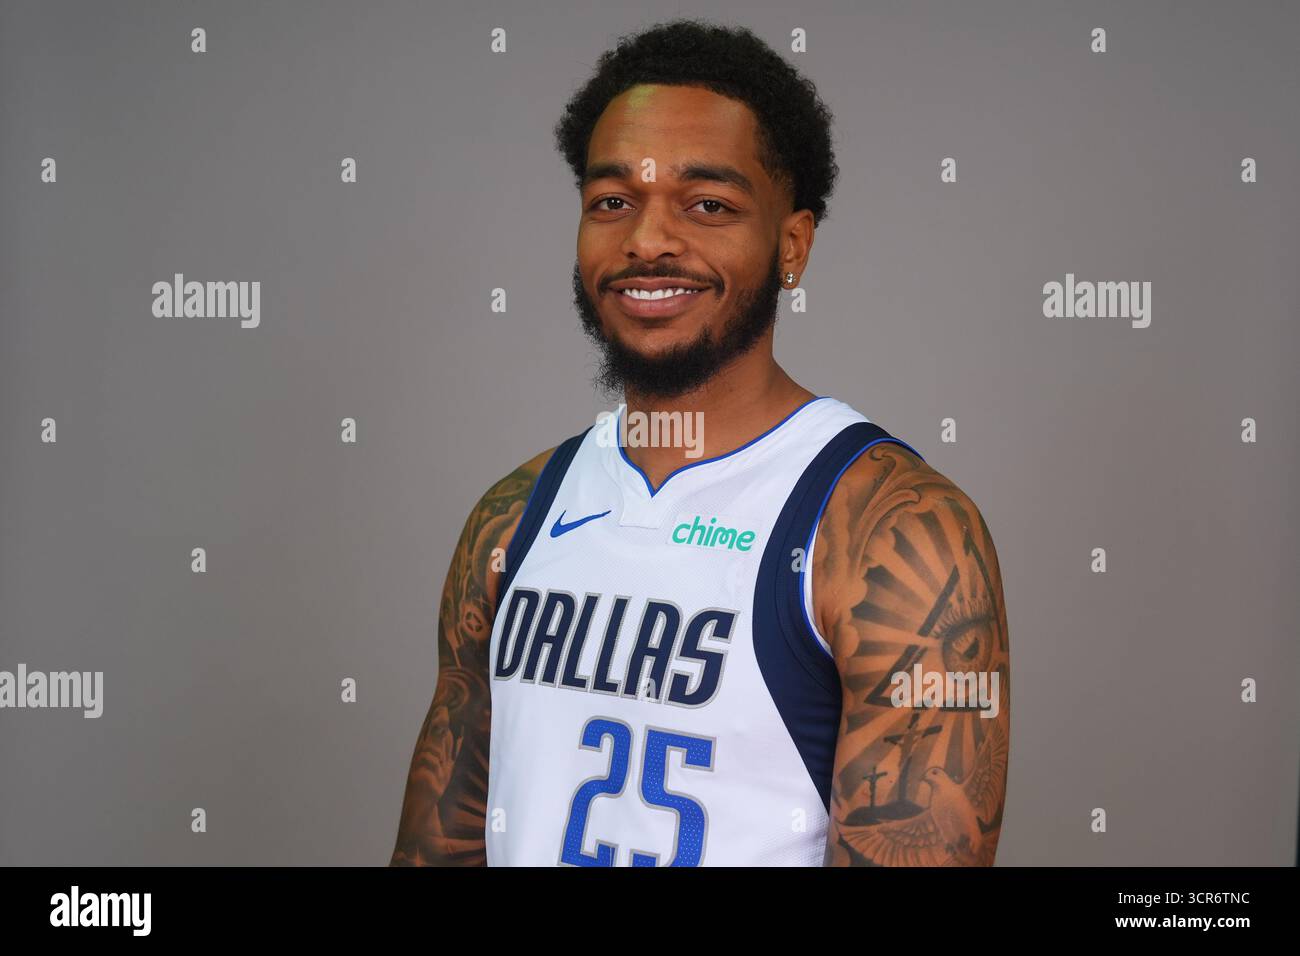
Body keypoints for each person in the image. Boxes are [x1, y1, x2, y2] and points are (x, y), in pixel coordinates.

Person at [391, 18, 1009, 866]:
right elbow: (441, 844)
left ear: (791, 244)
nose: (647, 241)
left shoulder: (888, 534)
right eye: (613, 202)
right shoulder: (511, 520)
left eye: (707, 205)